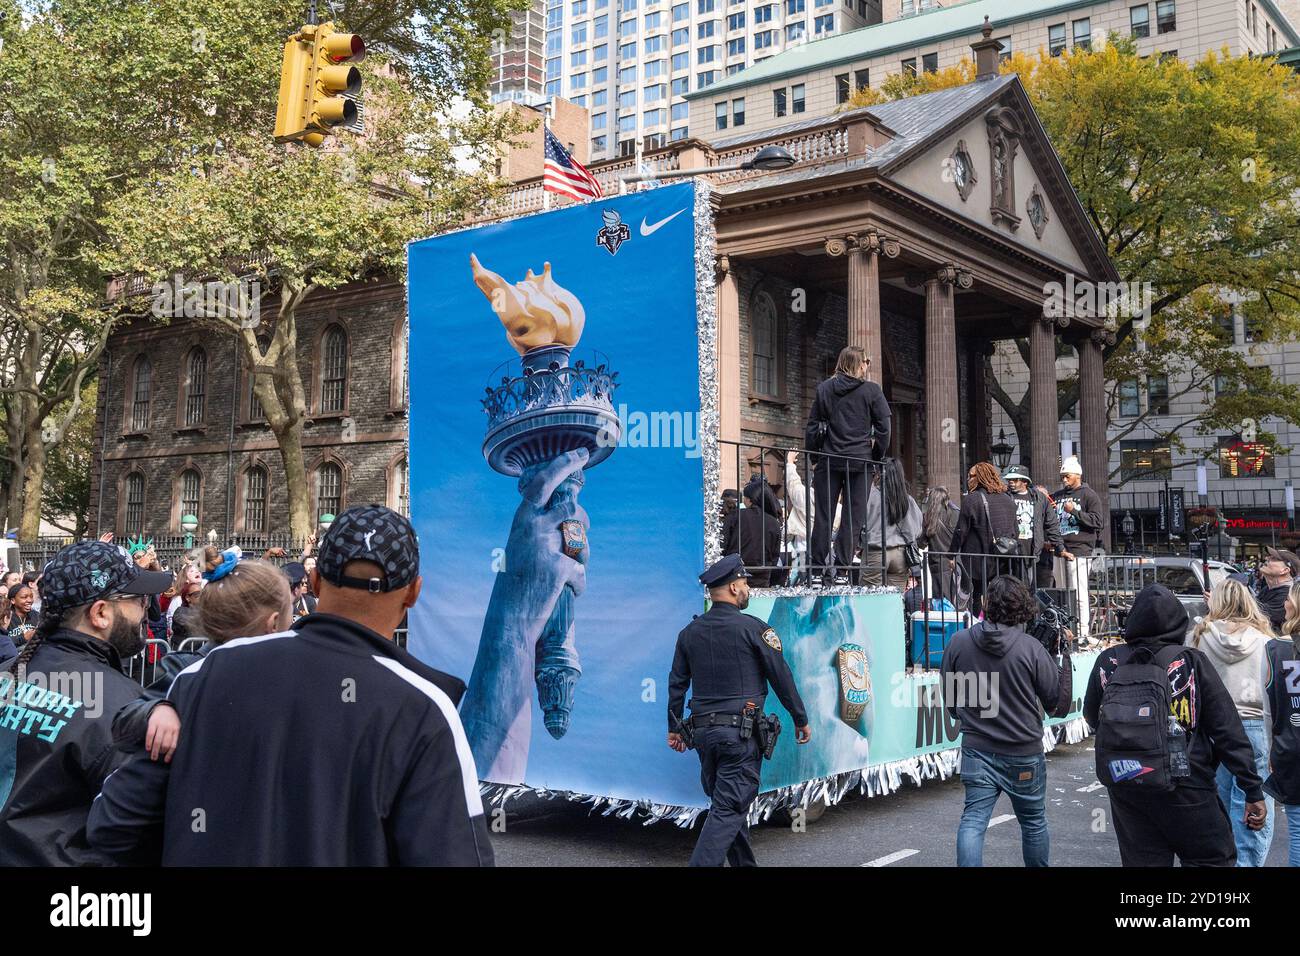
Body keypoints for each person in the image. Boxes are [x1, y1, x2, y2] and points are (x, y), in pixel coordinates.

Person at [88, 504, 494, 866]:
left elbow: (113, 822)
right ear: (413, 594)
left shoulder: (206, 674)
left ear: (315, 583)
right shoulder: (424, 710)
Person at [0, 540, 172, 865]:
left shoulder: (9, 672)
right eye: (138, 599)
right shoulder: (120, 705)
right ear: (101, 613)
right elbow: (135, 832)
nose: (145, 611)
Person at [1084, 584, 1267, 866]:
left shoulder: (1108, 660)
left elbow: (1092, 716)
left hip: (1127, 783)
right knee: (1210, 859)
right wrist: (1252, 789)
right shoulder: (1190, 661)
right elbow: (1227, 730)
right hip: (1187, 782)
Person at [667, 554, 811, 866]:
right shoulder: (754, 629)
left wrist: (675, 727)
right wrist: (800, 719)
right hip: (739, 738)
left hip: (704, 737)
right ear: (733, 588)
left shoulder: (688, 634)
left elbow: (676, 685)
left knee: (728, 807)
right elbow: (781, 676)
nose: (748, 590)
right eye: (745, 584)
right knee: (728, 810)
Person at [941, 576, 1072, 866]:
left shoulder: (959, 642)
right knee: (1033, 822)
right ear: (1023, 608)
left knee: (973, 821)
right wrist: (1060, 655)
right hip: (1023, 751)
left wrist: (962, 716)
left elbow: (949, 699)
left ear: (987, 604)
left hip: (978, 747)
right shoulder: (1031, 649)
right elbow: (1056, 704)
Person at [1189, 578, 1274, 865]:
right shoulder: (1265, 641)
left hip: (1213, 727)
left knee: (1220, 804)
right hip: (1254, 724)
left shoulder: (1198, 636)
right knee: (1255, 806)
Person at [806, 345, 891, 586]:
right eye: (866, 362)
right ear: (859, 364)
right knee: (853, 519)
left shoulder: (824, 389)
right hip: (860, 461)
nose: (867, 366)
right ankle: (843, 570)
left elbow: (812, 427)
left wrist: (814, 457)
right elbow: (885, 429)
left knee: (823, 516)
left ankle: (816, 570)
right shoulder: (872, 391)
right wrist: (876, 455)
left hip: (829, 460)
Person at [1262, 580, 1300, 866]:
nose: (1284, 604)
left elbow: (1268, 712)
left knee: (1298, 832)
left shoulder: (1274, 650)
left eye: (1289, 598)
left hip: (1290, 747)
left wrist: (1270, 749)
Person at [949, 462, 1018, 615]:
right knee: (1000, 596)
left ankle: (978, 629)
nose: (968, 479)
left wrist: (951, 554)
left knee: (976, 597)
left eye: (971, 476)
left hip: (978, 560)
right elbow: (1015, 531)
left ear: (981, 477)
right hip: (1004, 559)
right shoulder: (1008, 500)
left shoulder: (972, 499)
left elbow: (961, 531)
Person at [1003, 465, 1068, 588]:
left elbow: (1052, 524)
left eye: (1015, 480)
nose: (1011, 482)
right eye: (1009, 480)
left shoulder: (1040, 498)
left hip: (1031, 552)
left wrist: (1060, 547)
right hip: (1010, 551)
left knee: (1028, 589)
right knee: (1010, 588)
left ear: (1025, 482)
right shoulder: (1005, 497)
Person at [862, 458, 922, 588]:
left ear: (879, 473)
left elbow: (860, 522)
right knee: (894, 602)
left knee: (870, 601)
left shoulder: (870, 495)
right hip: (900, 555)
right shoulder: (907, 499)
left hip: (876, 552)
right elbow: (917, 529)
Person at [1051, 456, 1104, 589]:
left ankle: (1081, 611)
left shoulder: (1089, 495)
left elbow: (1098, 521)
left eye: (1067, 476)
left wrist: (1074, 511)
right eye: (1062, 476)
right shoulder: (1057, 496)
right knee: (1061, 590)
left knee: (1079, 591)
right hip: (1059, 550)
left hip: (1079, 551)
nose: (1064, 480)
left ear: (1077, 475)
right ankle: (1065, 611)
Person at [721, 476, 783, 587]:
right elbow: (775, 555)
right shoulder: (773, 522)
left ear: (750, 499)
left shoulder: (735, 516)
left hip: (736, 574)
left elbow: (723, 545)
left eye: (744, 497)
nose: (743, 500)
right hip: (762, 576)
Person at [919, 486, 961, 607]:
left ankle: (946, 625)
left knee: (942, 602)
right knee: (958, 597)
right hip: (957, 561)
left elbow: (921, 543)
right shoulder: (957, 513)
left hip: (937, 563)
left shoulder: (928, 517)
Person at [1255, 547, 1297, 635]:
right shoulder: (1268, 588)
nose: (1267, 558)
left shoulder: (1288, 595)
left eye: (1274, 558)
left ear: (1285, 570)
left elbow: (1253, 615)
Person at [6, 583, 40, 647]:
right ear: (13, 600)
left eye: (31, 596)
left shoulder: (36, 615)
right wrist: (23, 638)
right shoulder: (6, 618)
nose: (30, 600)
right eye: (24, 597)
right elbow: (2, 643)